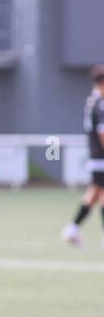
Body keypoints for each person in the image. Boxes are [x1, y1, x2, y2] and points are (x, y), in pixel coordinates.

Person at [62, 65, 104, 248]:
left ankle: (72, 228)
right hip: (101, 157)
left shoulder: (92, 100)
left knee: (94, 193)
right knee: (100, 193)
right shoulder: (100, 103)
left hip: (95, 155)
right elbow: (102, 133)